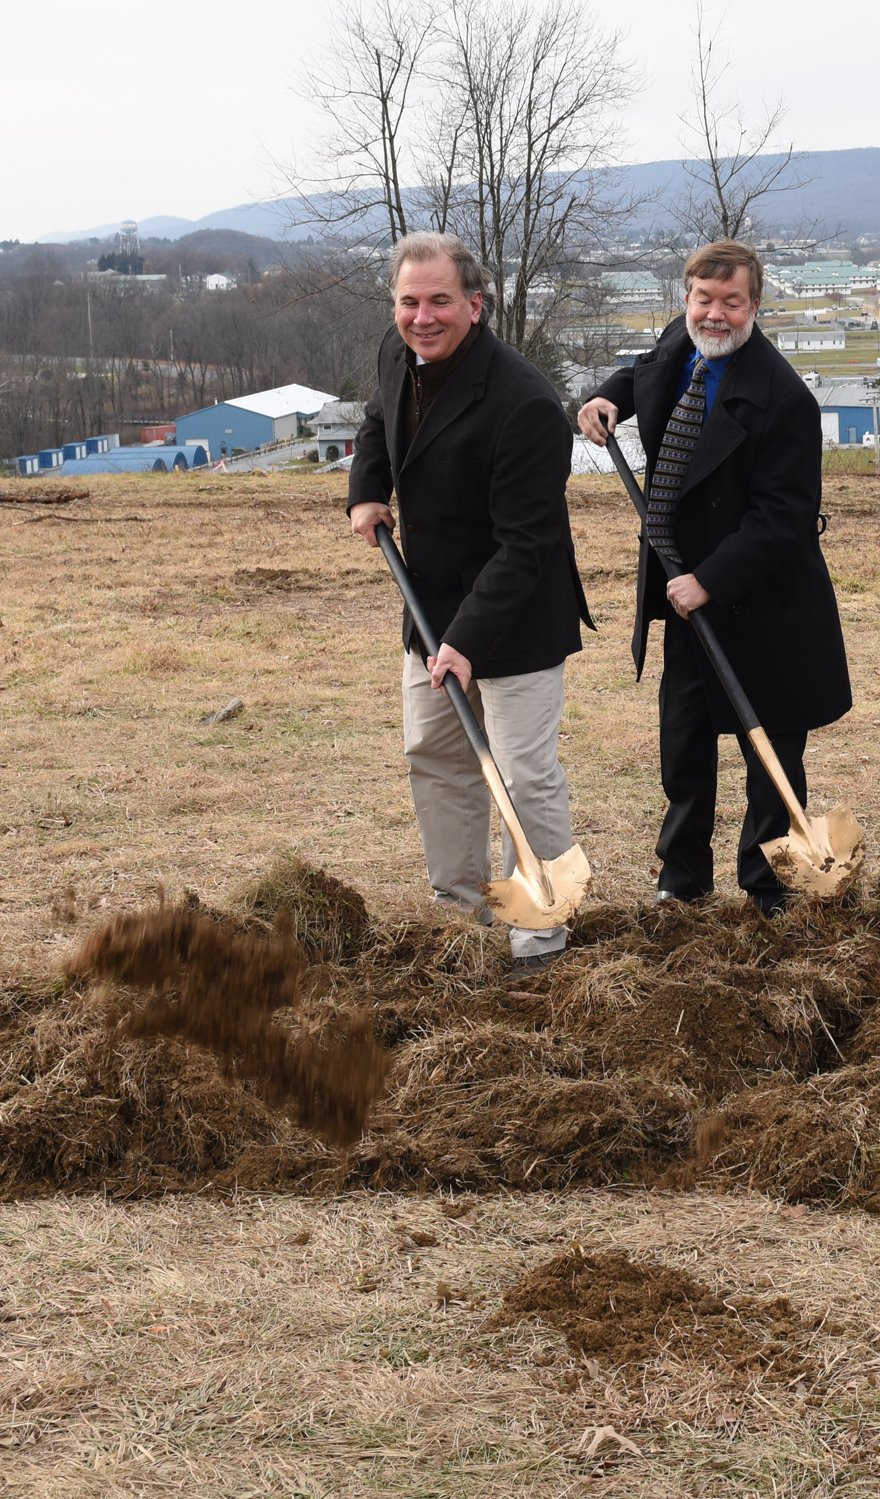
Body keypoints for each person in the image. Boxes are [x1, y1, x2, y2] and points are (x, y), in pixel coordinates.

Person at [577, 240, 851, 914]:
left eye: (732, 302)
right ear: (687, 298)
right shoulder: (681, 342)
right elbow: (641, 370)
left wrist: (712, 578)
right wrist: (605, 399)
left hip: (764, 602)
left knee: (770, 755)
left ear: (754, 305)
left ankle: (769, 888)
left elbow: (784, 515)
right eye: (704, 299)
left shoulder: (783, 398)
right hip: (683, 596)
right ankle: (681, 879)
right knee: (685, 748)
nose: (716, 314)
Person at [347, 231, 591, 970]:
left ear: (475, 305)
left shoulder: (524, 403)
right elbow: (374, 423)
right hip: (429, 606)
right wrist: (366, 492)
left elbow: (527, 545)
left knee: (521, 771)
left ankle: (539, 928)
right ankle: (458, 911)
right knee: (437, 756)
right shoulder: (399, 356)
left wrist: (467, 641)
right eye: (409, 301)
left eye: (441, 301)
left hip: (515, 617)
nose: (423, 317)